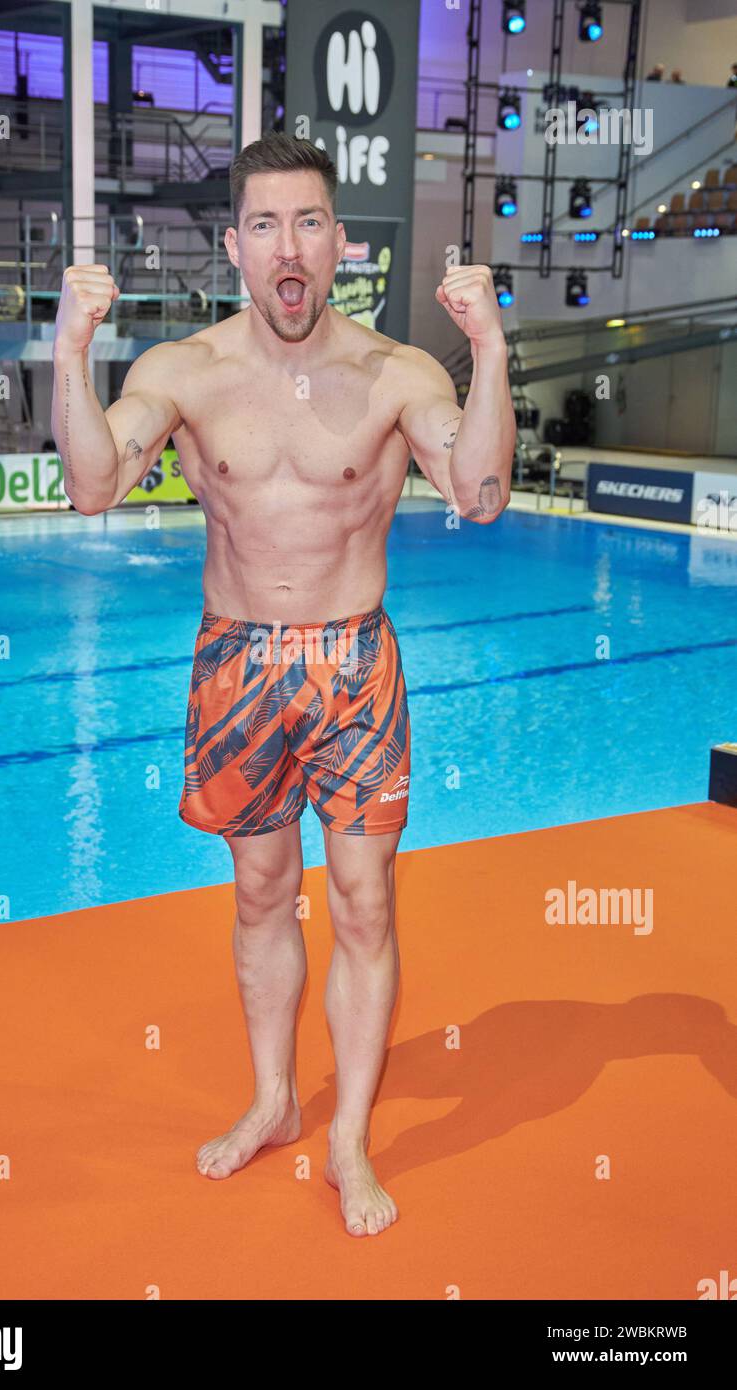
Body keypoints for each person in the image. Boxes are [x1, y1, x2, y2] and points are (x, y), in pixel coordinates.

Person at [51, 132, 515, 1237]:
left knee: (362, 902)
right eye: (264, 225)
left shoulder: (396, 372)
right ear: (234, 247)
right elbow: (90, 485)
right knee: (260, 893)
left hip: (352, 665)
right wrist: (70, 351)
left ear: (339, 242)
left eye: (308, 222)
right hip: (237, 663)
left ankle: (347, 1133)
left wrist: (489, 347)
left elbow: (483, 490)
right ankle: (272, 1095)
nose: (287, 247)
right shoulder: (185, 372)